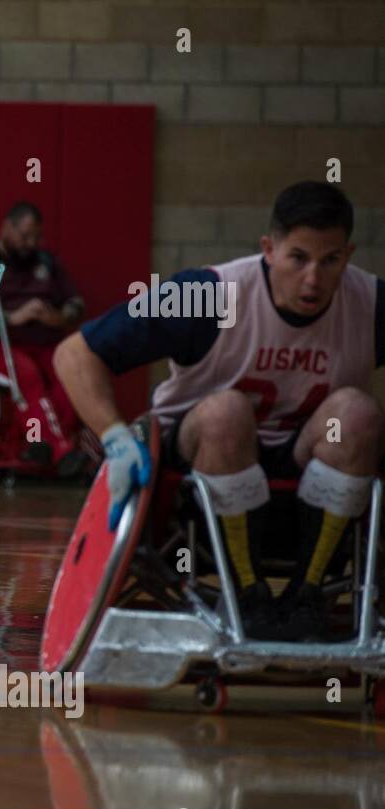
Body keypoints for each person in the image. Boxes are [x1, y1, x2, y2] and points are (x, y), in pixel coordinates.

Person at [54, 181, 385, 641]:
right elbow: (74, 353)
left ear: (347, 255)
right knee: (226, 414)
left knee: (358, 414)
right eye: (298, 258)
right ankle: (247, 594)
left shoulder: (371, 302)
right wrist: (114, 438)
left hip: (307, 471)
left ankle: (306, 595)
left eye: (330, 261)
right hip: (197, 482)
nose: (313, 278)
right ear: (268, 250)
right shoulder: (208, 294)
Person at [0, 201, 86, 473]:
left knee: (72, 375)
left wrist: (59, 317)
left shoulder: (47, 263)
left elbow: (76, 303)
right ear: (6, 228)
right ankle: (60, 450)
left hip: (44, 343)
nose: (31, 243)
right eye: (25, 236)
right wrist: (14, 316)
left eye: (37, 237)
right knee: (27, 375)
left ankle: (35, 442)